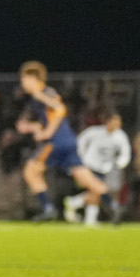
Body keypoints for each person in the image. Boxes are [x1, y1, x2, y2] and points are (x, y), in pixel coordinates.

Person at [16, 62, 109, 223]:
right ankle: (113, 205)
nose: (22, 83)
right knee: (84, 177)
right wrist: (30, 127)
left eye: (24, 79)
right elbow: (47, 120)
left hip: (57, 142)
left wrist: (47, 132)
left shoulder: (44, 92)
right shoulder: (37, 98)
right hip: (66, 140)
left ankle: (48, 208)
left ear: (33, 78)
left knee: (31, 171)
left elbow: (60, 109)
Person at [74, 111, 133, 225]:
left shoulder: (120, 136)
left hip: (105, 168)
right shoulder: (95, 131)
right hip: (90, 165)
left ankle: (75, 203)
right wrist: (81, 156)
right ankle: (91, 218)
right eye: (115, 122)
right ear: (108, 122)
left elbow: (125, 152)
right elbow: (81, 140)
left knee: (96, 191)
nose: (117, 124)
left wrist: (120, 163)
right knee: (97, 190)